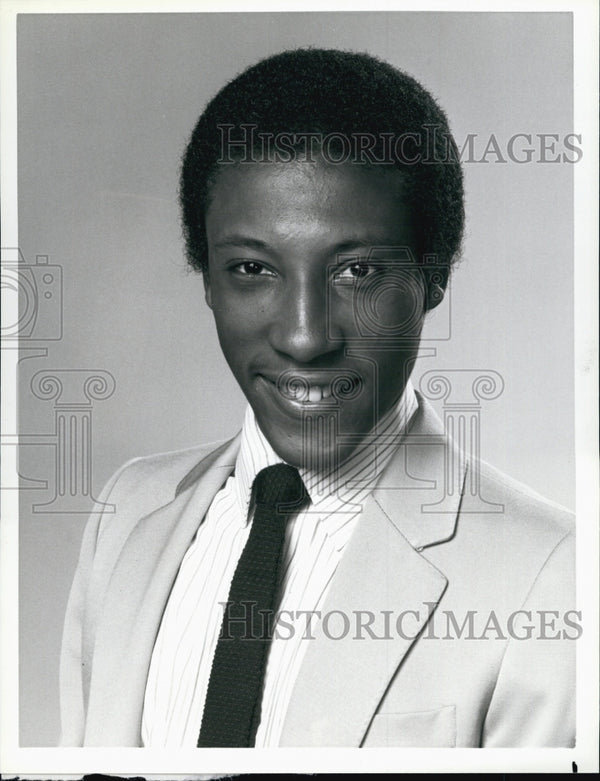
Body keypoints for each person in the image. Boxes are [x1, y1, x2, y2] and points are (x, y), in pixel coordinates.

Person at [59, 48, 575, 748]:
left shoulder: (553, 575)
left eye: (357, 271)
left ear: (433, 278)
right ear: (206, 278)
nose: (305, 337)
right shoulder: (126, 515)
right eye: (251, 268)